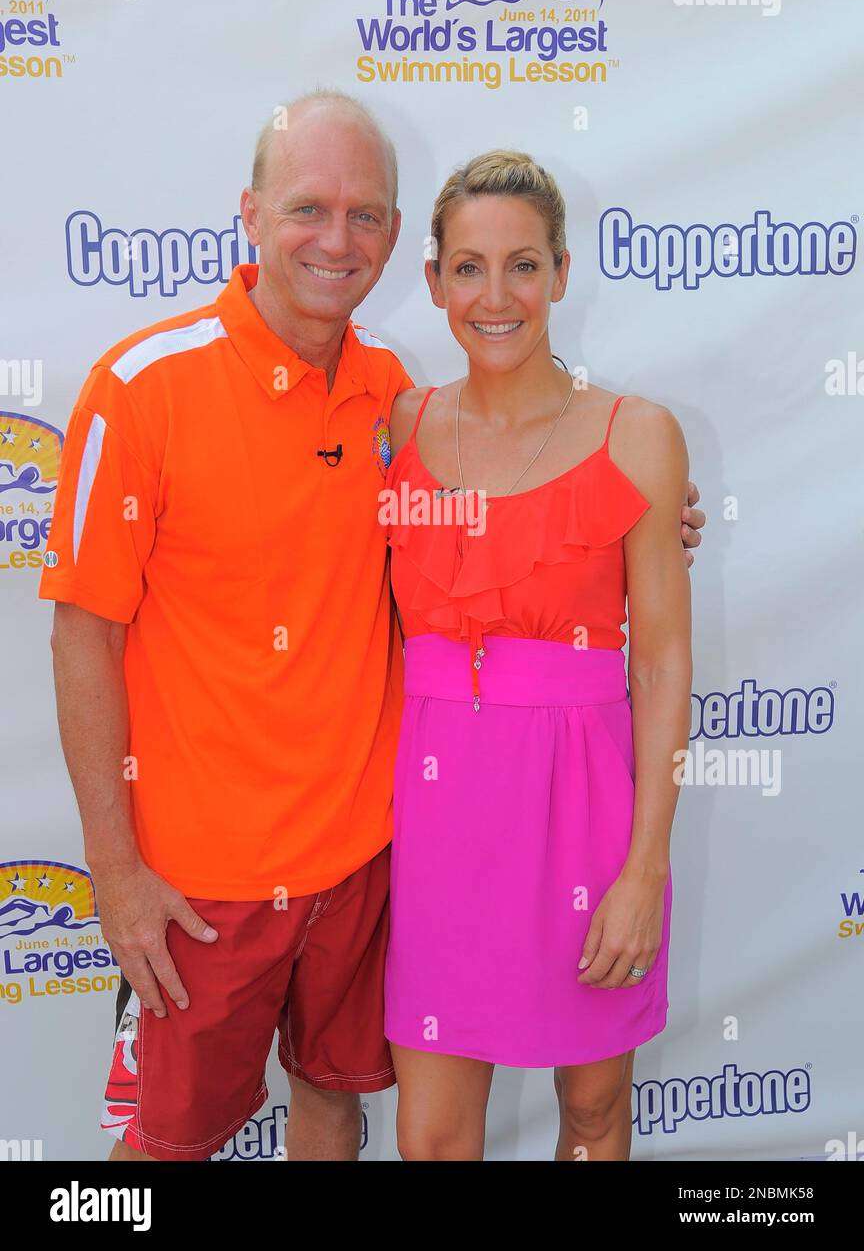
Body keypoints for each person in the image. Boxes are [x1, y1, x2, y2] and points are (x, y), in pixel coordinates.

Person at [39, 91, 704, 1162]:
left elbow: (577, 555)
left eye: (364, 215)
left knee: (344, 1109)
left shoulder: (387, 399)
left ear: (399, 242)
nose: (336, 239)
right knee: (174, 1138)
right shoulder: (156, 388)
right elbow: (81, 636)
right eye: (309, 207)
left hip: (373, 856)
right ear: (250, 213)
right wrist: (115, 870)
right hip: (219, 874)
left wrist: (650, 520)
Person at [381, 149, 692, 1162]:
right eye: (468, 268)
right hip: (437, 813)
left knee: (595, 1116)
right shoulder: (401, 423)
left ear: (562, 272)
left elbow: (662, 665)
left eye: (523, 264)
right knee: (431, 1139)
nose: (496, 294)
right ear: (433, 282)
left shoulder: (638, 434)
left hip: (587, 815)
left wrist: (645, 867)